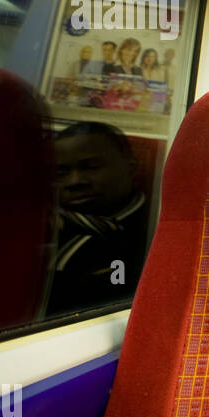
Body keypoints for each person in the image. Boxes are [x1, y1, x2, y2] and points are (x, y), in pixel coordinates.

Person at [47, 122, 150, 315]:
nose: (75, 181)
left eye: (91, 167)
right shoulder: (43, 224)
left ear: (132, 167)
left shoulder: (150, 230)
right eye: (61, 173)